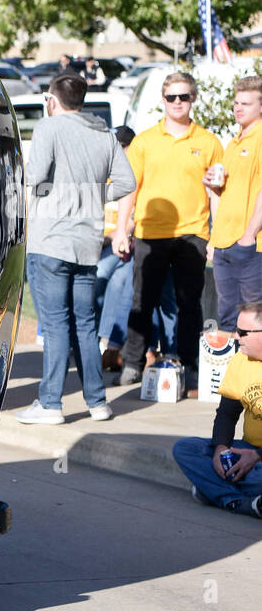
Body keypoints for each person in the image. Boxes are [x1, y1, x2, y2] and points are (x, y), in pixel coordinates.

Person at [17, 72, 135, 425]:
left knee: (55, 325)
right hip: (87, 242)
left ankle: (51, 403)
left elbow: (34, 178)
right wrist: (91, 193)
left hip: (51, 239)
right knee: (85, 324)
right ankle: (97, 402)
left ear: (52, 100)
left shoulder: (49, 128)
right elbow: (127, 183)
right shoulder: (104, 134)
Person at [112, 72, 225, 387]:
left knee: (190, 304)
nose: (178, 103)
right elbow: (129, 190)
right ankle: (133, 364)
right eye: (172, 97)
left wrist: (215, 237)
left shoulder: (209, 142)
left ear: (194, 99)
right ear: (163, 100)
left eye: (184, 96)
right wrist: (122, 229)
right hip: (151, 233)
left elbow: (216, 193)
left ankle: (189, 366)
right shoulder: (144, 142)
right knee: (142, 302)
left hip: (193, 233)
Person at [96, 125, 177, 371]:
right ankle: (111, 346)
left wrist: (119, 235)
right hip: (113, 243)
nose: (117, 152)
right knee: (106, 281)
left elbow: (135, 213)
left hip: (135, 243)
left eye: (121, 147)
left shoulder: (139, 170)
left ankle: (124, 347)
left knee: (125, 284)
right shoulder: (111, 172)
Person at [172, 300, 262, 517]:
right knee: (186, 449)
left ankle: (213, 489)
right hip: (246, 450)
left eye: (242, 332)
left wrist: (258, 456)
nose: (236, 337)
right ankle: (239, 501)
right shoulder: (241, 360)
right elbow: (227, 414)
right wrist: (221, 448)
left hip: (257, 457)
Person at [205, 76, 262, 335]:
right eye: (236, 102)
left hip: (250, 244)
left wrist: (250, 234)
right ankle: (232, 375)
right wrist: (212, 186)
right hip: (224, 243)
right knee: (228, 320)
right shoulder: (234, 141)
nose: (238, 108)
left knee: (252, 320)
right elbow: (222, 192)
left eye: (246, 103)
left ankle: (253, 376)